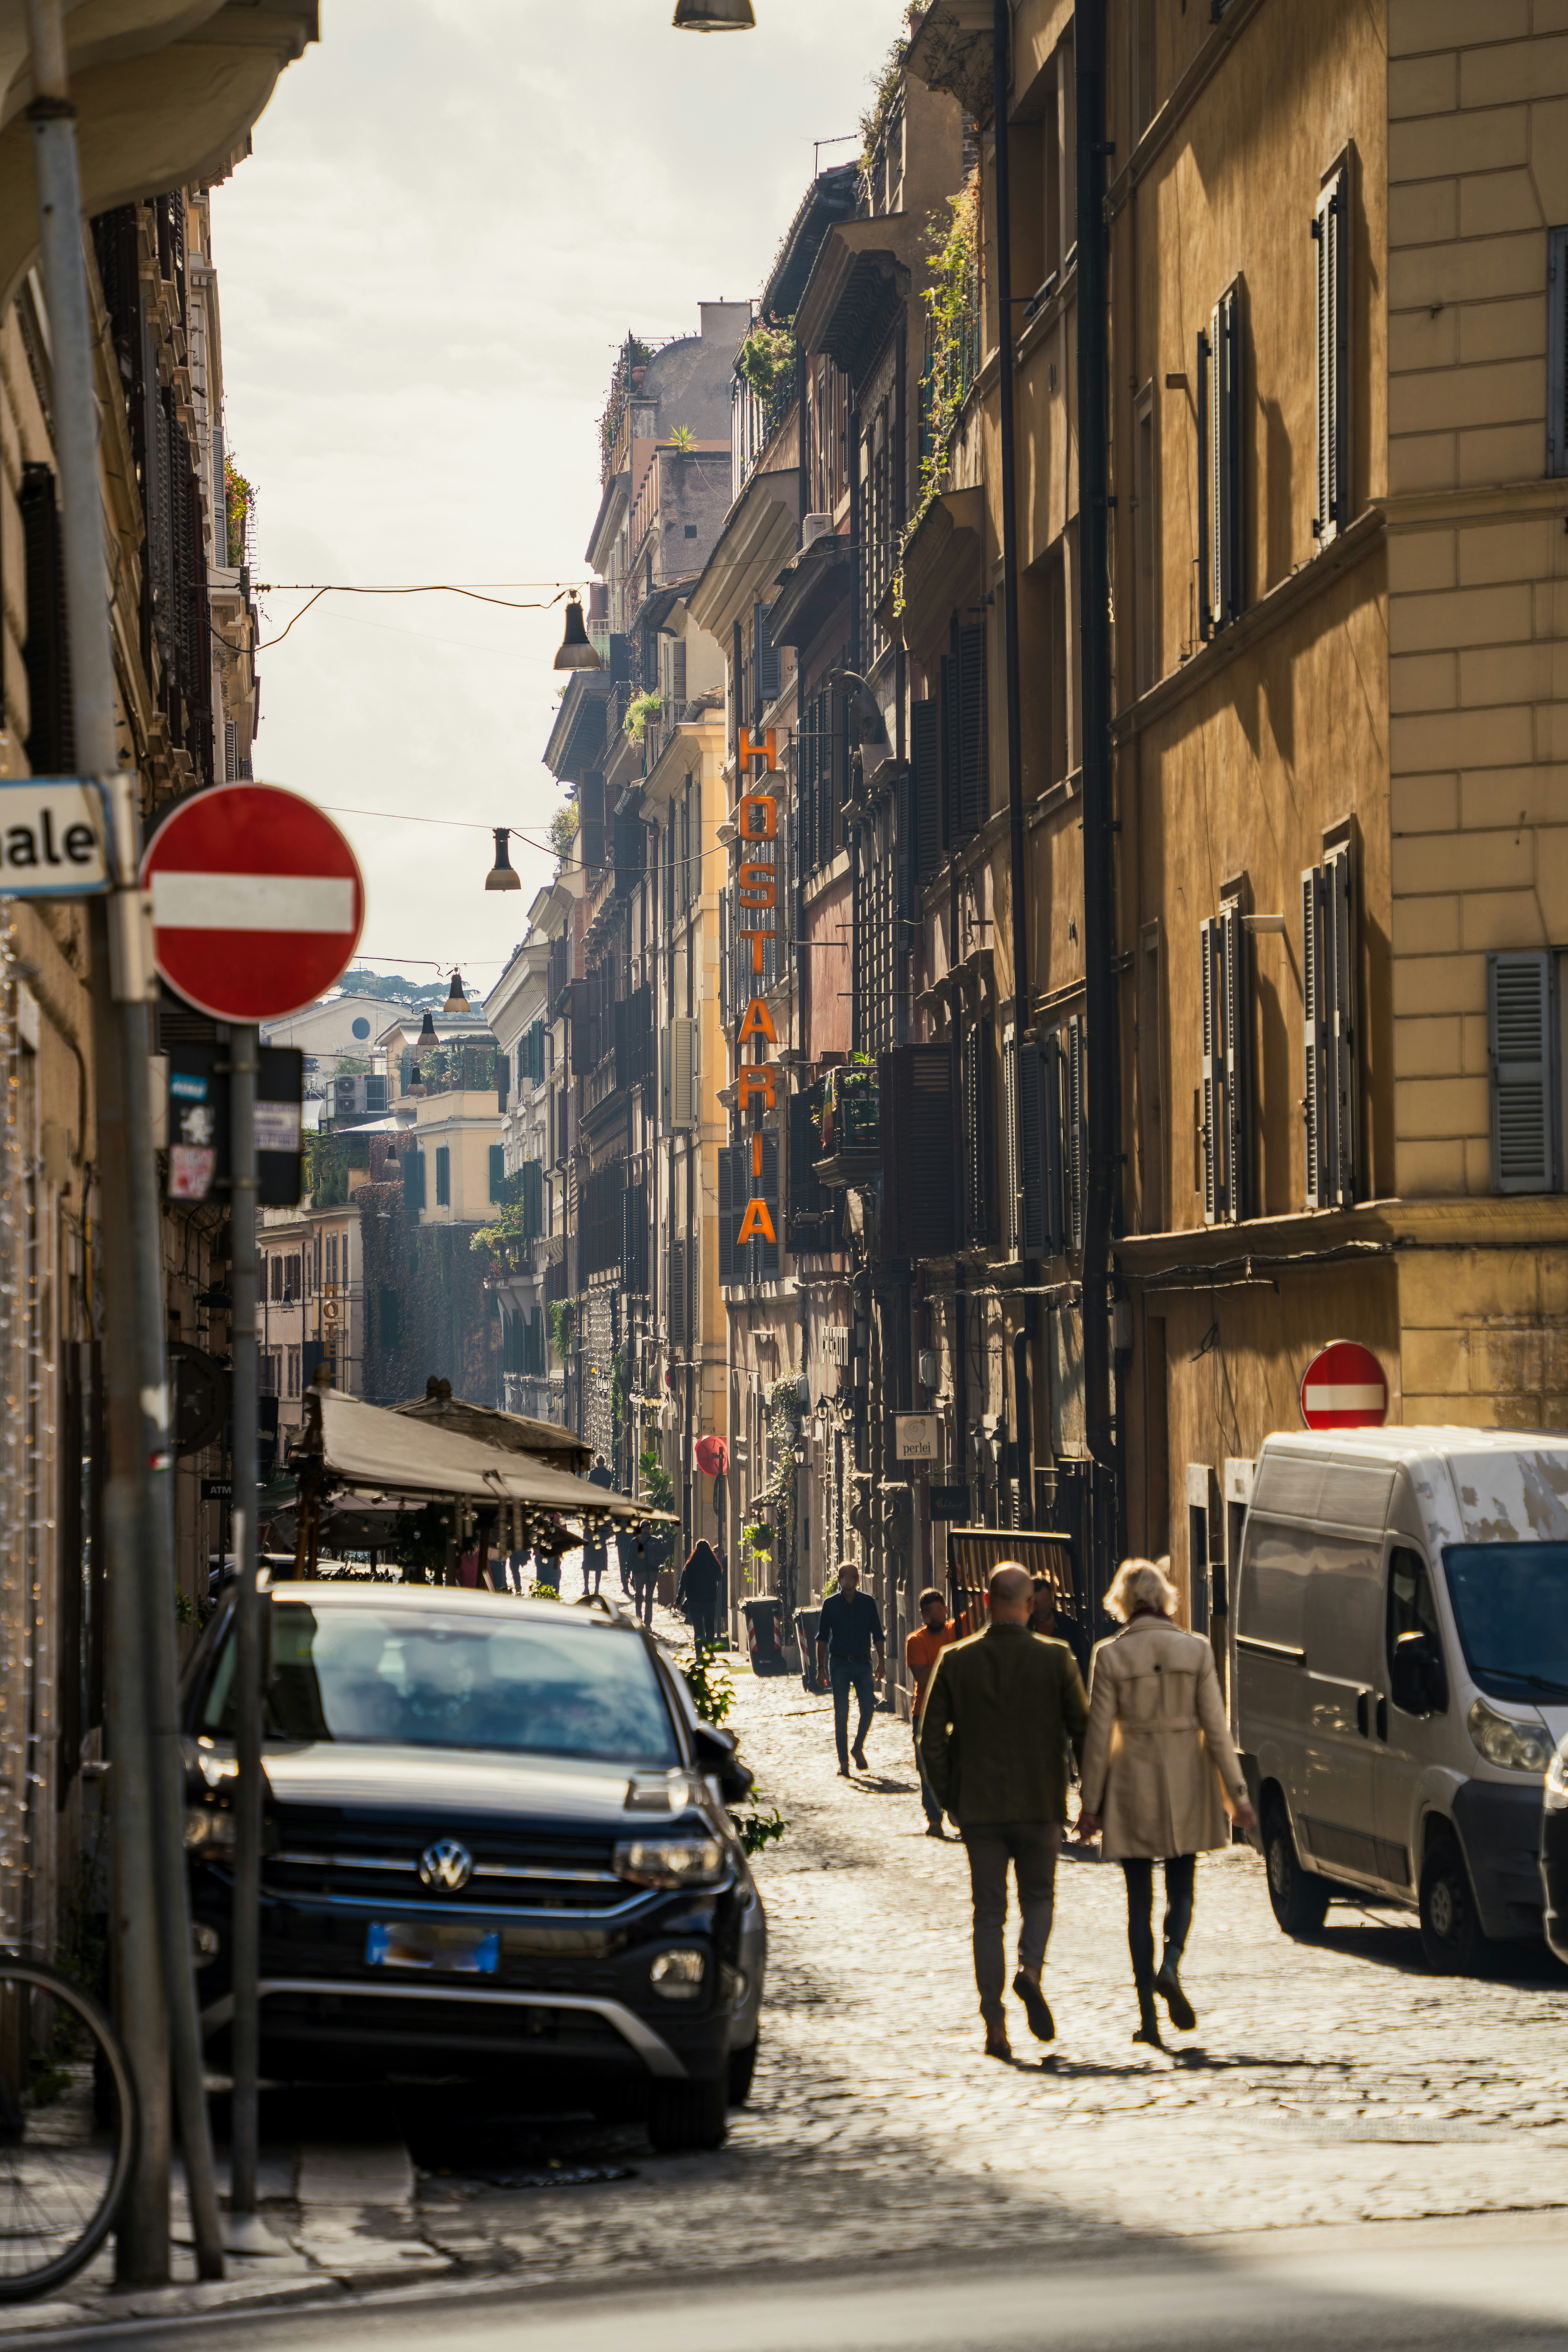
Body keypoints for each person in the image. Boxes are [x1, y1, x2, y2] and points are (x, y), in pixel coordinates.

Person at [1076, 1556, 1256, 2049]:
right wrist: (1237, 1796)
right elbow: (1218, 1731)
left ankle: (1149, 2020)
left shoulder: (1110, 1656)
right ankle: (1172, 1964)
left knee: (1138, 1904)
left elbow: (1098, 1738)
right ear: (1162, 1598)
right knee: (1182, 1887)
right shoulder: (1195, 1650)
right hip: (1186, 1782)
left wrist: (1091, 1806)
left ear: (1124, 1601)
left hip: (1132, 1781)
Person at [920, 1562, 1089, 2060]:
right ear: (1031, 1604)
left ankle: (994, 2023)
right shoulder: (1056, 1659)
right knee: (1039, 1899)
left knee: (988, 1914)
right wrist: (1091, 1800)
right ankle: (1030, 1971)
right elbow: (1084, 1730)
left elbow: (931, 1741)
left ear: (988, 1604)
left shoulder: (956, 1660)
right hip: (1041, 1806)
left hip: (981, 1811)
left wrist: (951, 1798)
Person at [815, 1561, 884, 1778]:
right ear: (839, 1579)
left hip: (864, 1662)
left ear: (858, 1579)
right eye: (845, 1576)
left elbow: (878, 1634)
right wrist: (820, 1668)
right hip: (840, 1663)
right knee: (842, 1712)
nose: (850, 1580)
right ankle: (844, 1762)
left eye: (853, 1576)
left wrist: (882, 1661)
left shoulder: (867, 1603)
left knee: (868, 1708)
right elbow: (823, 1639)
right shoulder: (831, 1605)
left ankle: (857, 1747)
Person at [905, 1586, 956, 1836]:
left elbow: (980, 1606)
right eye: (930, 1613)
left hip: (958, 1710)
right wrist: (955, 1668)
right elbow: (923, 1677)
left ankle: (959, 1811)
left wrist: (961, 1575)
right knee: (927, 1767)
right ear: (923, 1614)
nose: (936, 1618)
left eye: (940, 1612)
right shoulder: (916, 1641)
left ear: (946, 1610)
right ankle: (934, 1818)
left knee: (960, 1762)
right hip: (925, 1711)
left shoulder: (957, 1630)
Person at [676, 1539, 724, 1648]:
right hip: (710, 1601)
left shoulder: (690, 1565)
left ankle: (699, 1655)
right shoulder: (712, 1564)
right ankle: (710, 1653)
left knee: (698, 1629)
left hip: (694, 1601)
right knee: (710, 1628)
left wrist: (678, 1601)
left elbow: (683, 1584)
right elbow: (720, 1578)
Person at [582, 1455, 614, 1595]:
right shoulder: (608, 1474)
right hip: (601, 1535)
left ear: (597, 1462)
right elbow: (609, 1486)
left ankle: (587, 1587)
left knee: (587, 1563)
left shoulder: (593, 1473)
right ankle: (596, 1589)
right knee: (600, 1563)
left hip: (589, 1537)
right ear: (604, 1462)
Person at [627, 1524, 664, 1629]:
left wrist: (628, 1573)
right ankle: (648, 1623)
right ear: (650, 1529)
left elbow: (630, 1559)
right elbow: (662, 1558)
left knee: (639, 1596)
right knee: (649, 1598)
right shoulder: (656, 1541)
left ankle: (639, 1620)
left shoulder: (634, 1542)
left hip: (639, 1573)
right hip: (652, 1573)